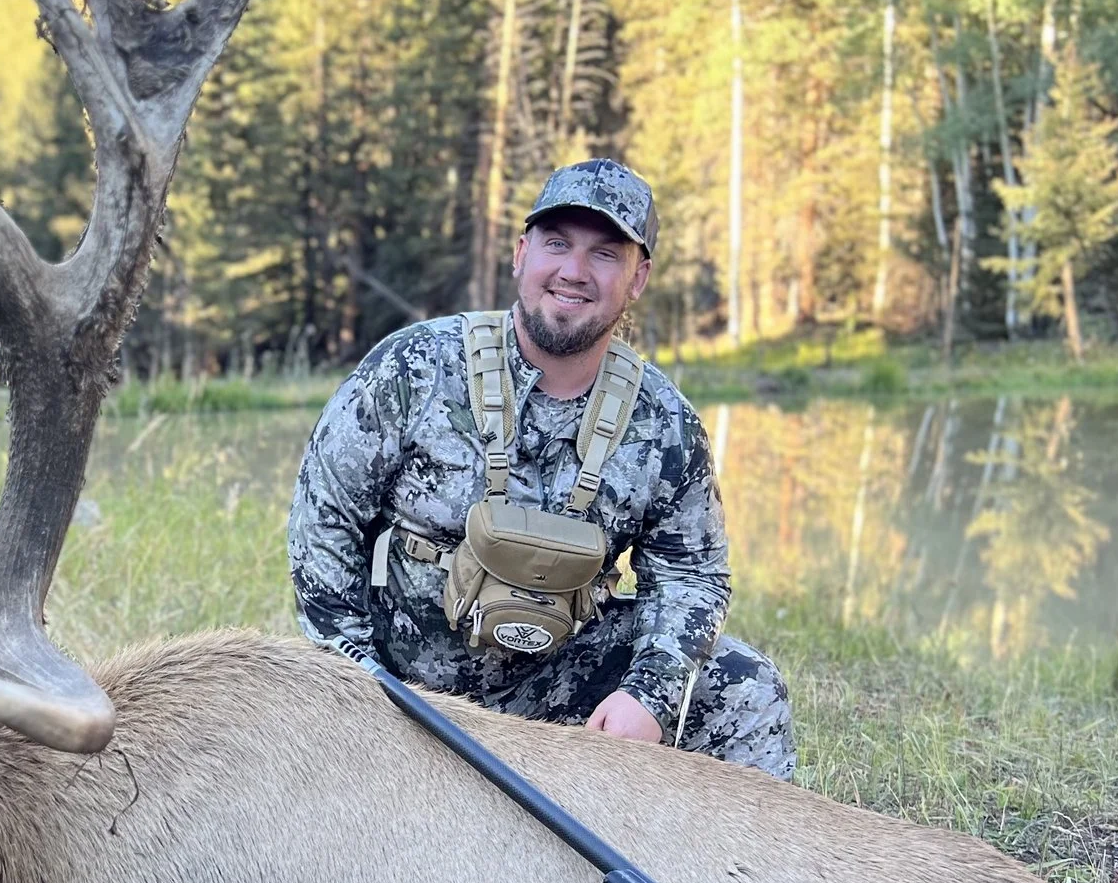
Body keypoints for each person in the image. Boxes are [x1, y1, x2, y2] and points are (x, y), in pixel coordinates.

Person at [288, 158, 795, 778]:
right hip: (405, 689)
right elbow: (324, 523)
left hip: (568, 699)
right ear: (521, 253)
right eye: (557, 244)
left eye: (606, 254)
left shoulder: (666, 422)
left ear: (638, 279)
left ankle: (739, 872)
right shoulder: (413, 368)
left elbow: (694, 577)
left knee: (747, 687)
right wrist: (360, 681)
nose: (574, 272)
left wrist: (650, 699)